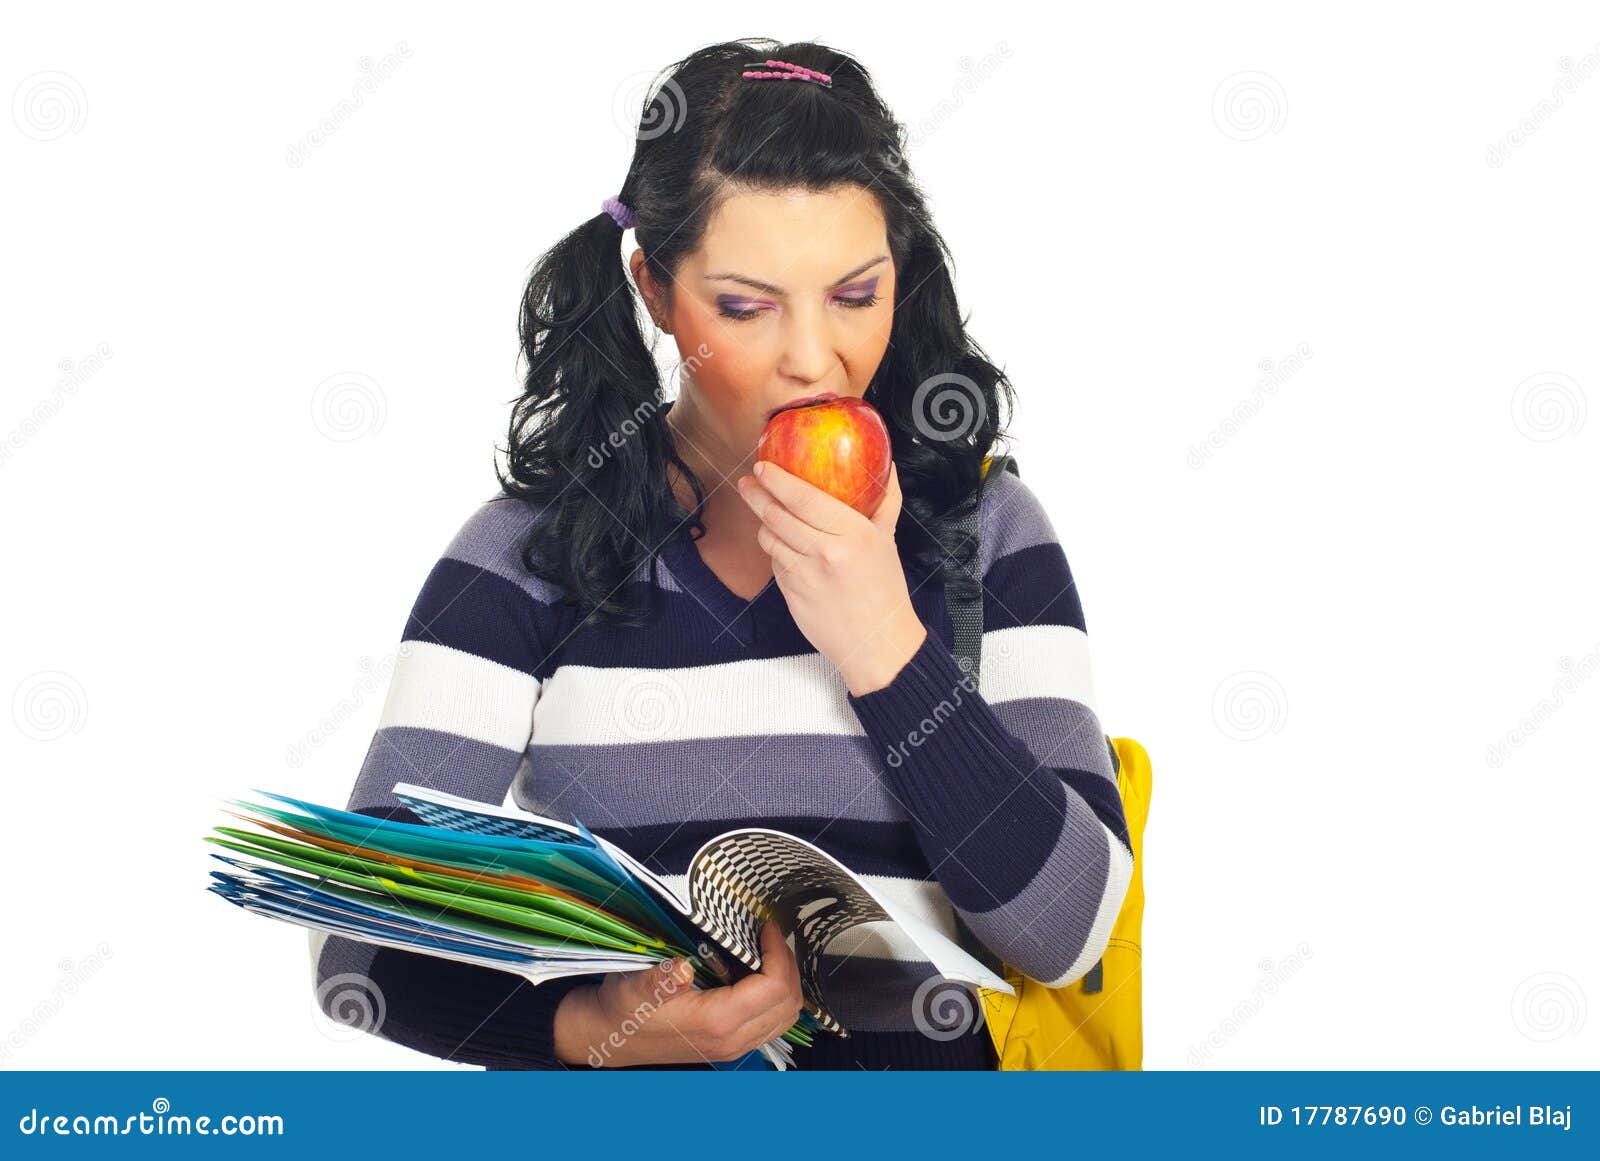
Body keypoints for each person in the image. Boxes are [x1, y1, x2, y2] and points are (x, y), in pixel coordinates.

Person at [312, 37, 1133, 1071]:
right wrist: (587, 1029)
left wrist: (883, 644)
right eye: (745, 306)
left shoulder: (986, 531)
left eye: (854, 295)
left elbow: (1067, 934)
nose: (811, 357)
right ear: (655, 289)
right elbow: (356, 948)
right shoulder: (523, 557)